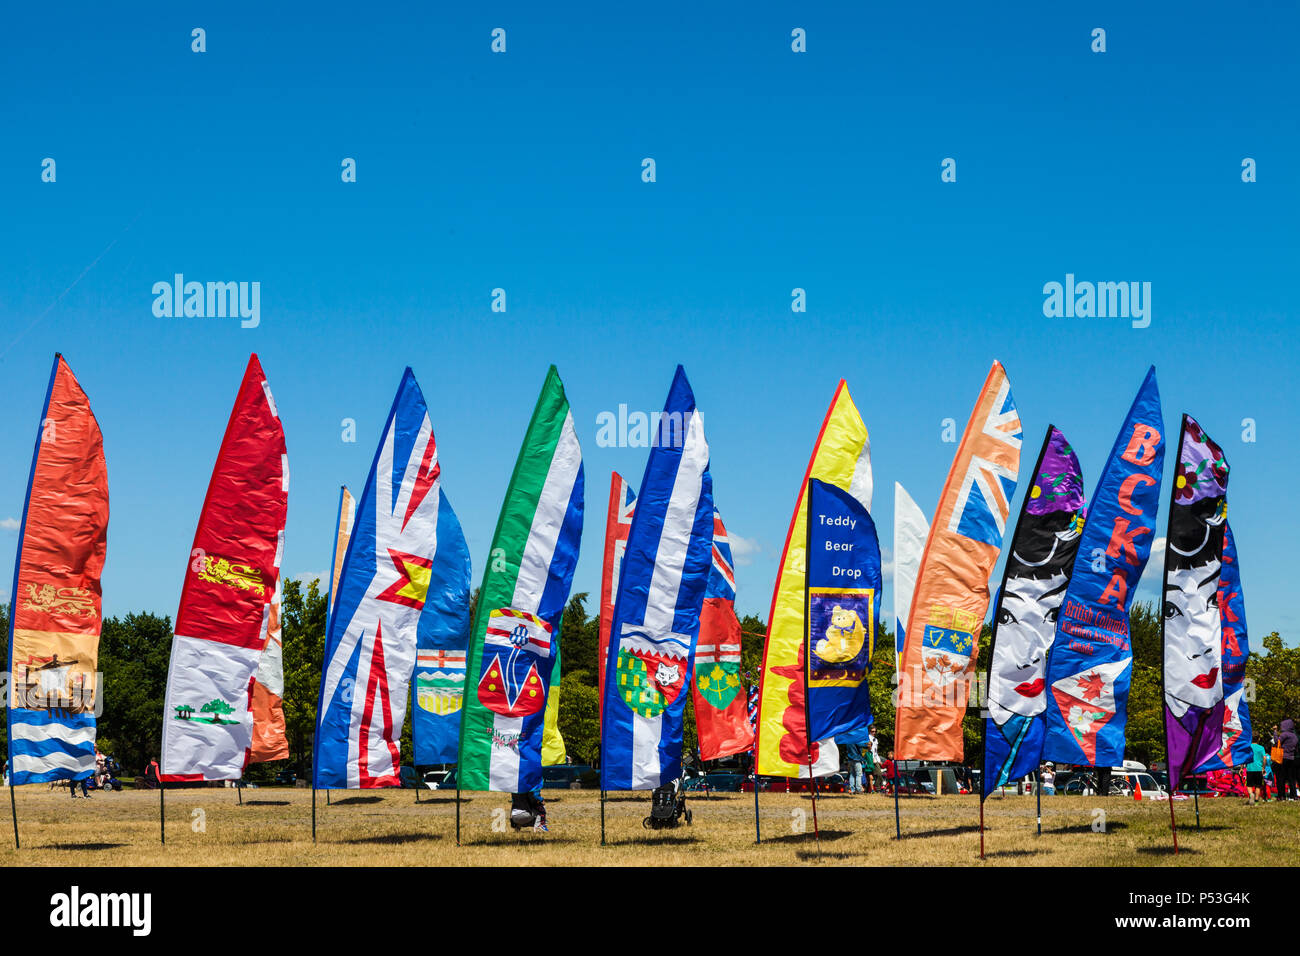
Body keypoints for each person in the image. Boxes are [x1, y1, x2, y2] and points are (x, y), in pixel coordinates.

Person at [1280, 719, 1298, 801]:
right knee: (1292, 778)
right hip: (1292, 758)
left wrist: (1275, 733)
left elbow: (1277, 742)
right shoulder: (1294, 735)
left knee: (1282, 778)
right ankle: (1293, 796)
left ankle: (1282, 796)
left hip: (1283, 757)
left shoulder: (1284, 734)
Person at [1247, 735, 1268, 805]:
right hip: (1259, 769)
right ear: (1258, 739)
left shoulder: (1248, 747)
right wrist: (1263, 768)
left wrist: (1241, 768)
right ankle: (1256, 801)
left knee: (1249, 785)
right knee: (1258, 786)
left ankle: (1251, 794)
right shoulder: (1261, 748)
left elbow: (1244, 758)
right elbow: (1265, 758)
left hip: (1249, 768)